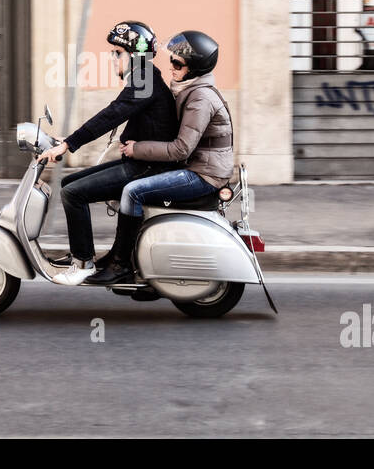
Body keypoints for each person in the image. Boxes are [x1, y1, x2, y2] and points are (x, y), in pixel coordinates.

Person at [86, 30, 234, 285]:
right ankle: (121, 257)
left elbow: (181, 149)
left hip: (203, 175)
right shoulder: (190, 89)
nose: (172, 67)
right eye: (172, 61)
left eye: (178, 64)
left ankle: (121, 264)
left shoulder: (200, 97)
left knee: (133, 191)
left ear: (194, 68)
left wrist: (138, 148)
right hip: (200, 167)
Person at [36, 21, 179, 270]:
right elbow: (116, 112)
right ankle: (84, 254)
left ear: (135, 55)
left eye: (117, 52)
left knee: (72, 193)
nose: (113, 58)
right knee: (69, 183)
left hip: (147, 168)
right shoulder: (146, 78)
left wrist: (69, 144)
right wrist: (67, 141)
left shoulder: (145, 79)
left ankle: (83, 261)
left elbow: (113, 114)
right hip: (141, 163)